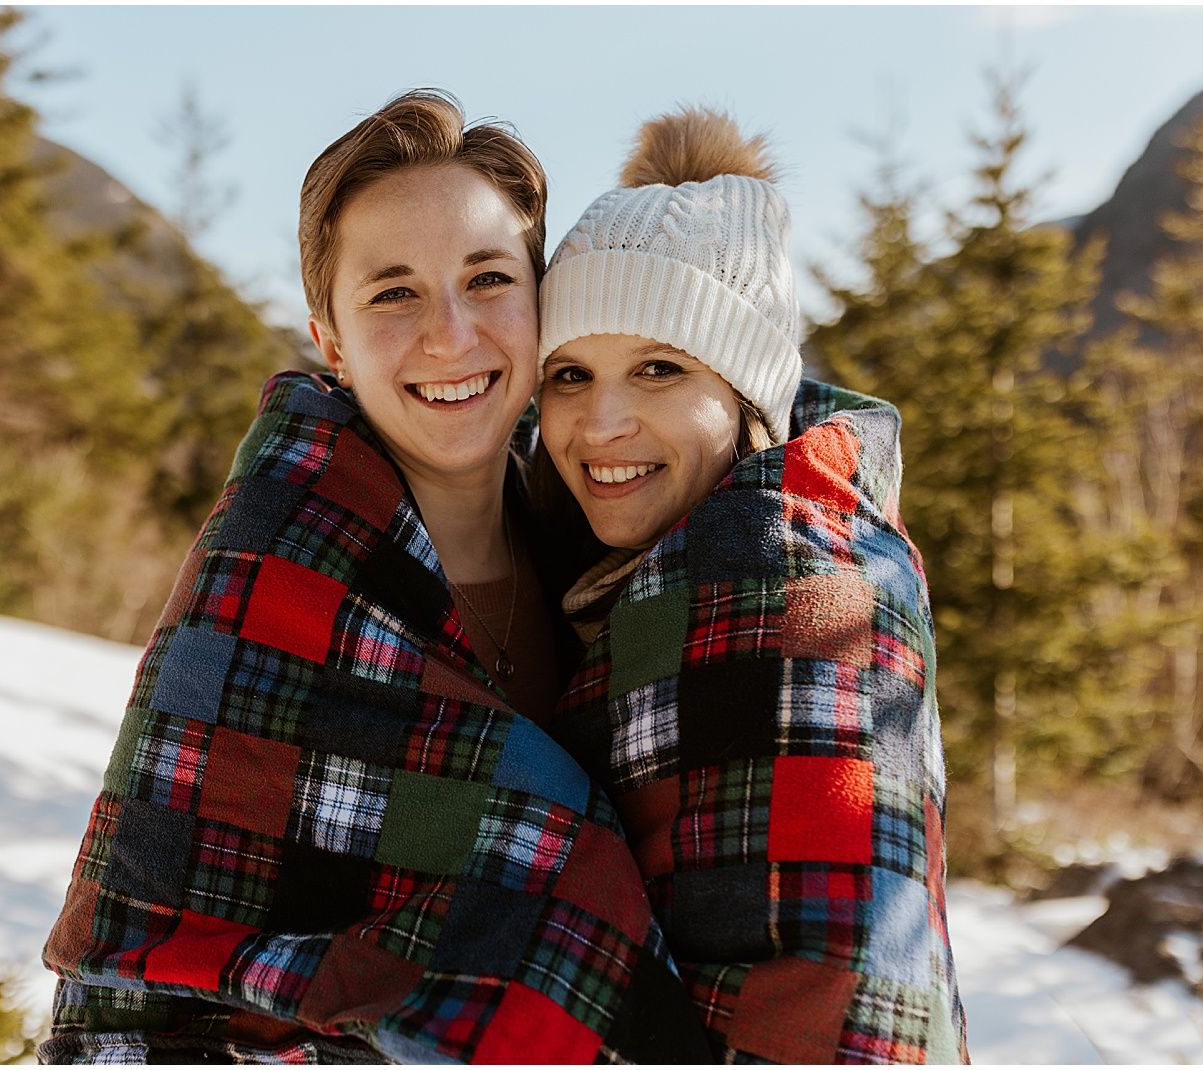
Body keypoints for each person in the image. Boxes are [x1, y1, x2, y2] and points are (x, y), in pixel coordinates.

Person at [38, 90, 708, 1064]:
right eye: (394, 292)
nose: (450, 334)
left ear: (540, 302)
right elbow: (140, 970)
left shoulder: (598, 536)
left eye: (486, 278)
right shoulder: (275, 565)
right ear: (331, 340)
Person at [535, 106, 969, 1063]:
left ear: (747, 397)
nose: (599, 423)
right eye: (568, 374)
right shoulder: (615, 573)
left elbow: (832, 1012)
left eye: (658, 367)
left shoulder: (796, 589)